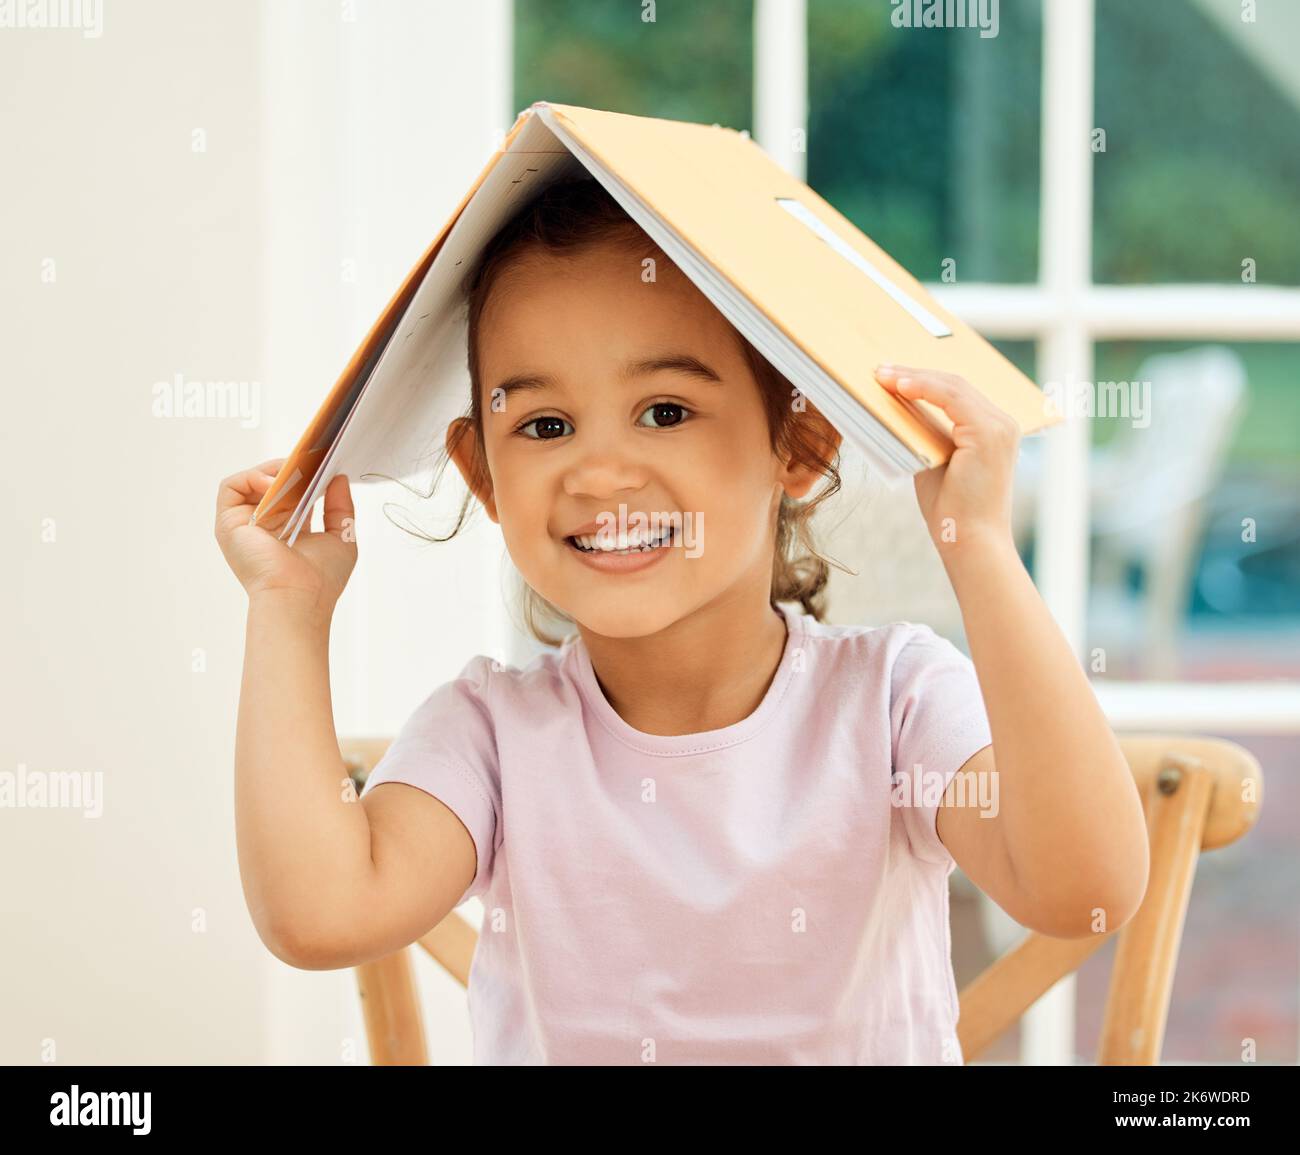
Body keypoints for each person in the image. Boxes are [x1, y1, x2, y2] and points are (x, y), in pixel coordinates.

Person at [215, 178, 1149, 1065]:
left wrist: (976, 543)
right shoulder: (492, 736)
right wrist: (289, 612)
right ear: (482, 472)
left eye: (664, 410)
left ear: (801, 442)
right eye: (545, 426)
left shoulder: (895, 700)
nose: (602, 471)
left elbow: (1085, 885)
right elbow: (319, 914)